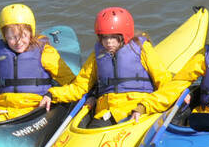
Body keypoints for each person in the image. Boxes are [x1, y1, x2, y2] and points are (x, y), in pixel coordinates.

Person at [45, 7, 177, 128]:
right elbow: (79, 87)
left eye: (114, 38)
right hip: (106, 112)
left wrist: (175, 94)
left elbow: (162, 78)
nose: (108, 42)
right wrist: (53, 94)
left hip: (138, 106)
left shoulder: (141, 48)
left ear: (124, 35)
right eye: (104, 37)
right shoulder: (97, 56)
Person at [0, 3, 77, 123]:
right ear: (5, 36)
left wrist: (53, 94)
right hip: (2, 109)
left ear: (31, 32)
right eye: (12, 37)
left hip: (34, 109)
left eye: (23, 36)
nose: (18, 42)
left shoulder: (45, 53)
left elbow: (72, 83)